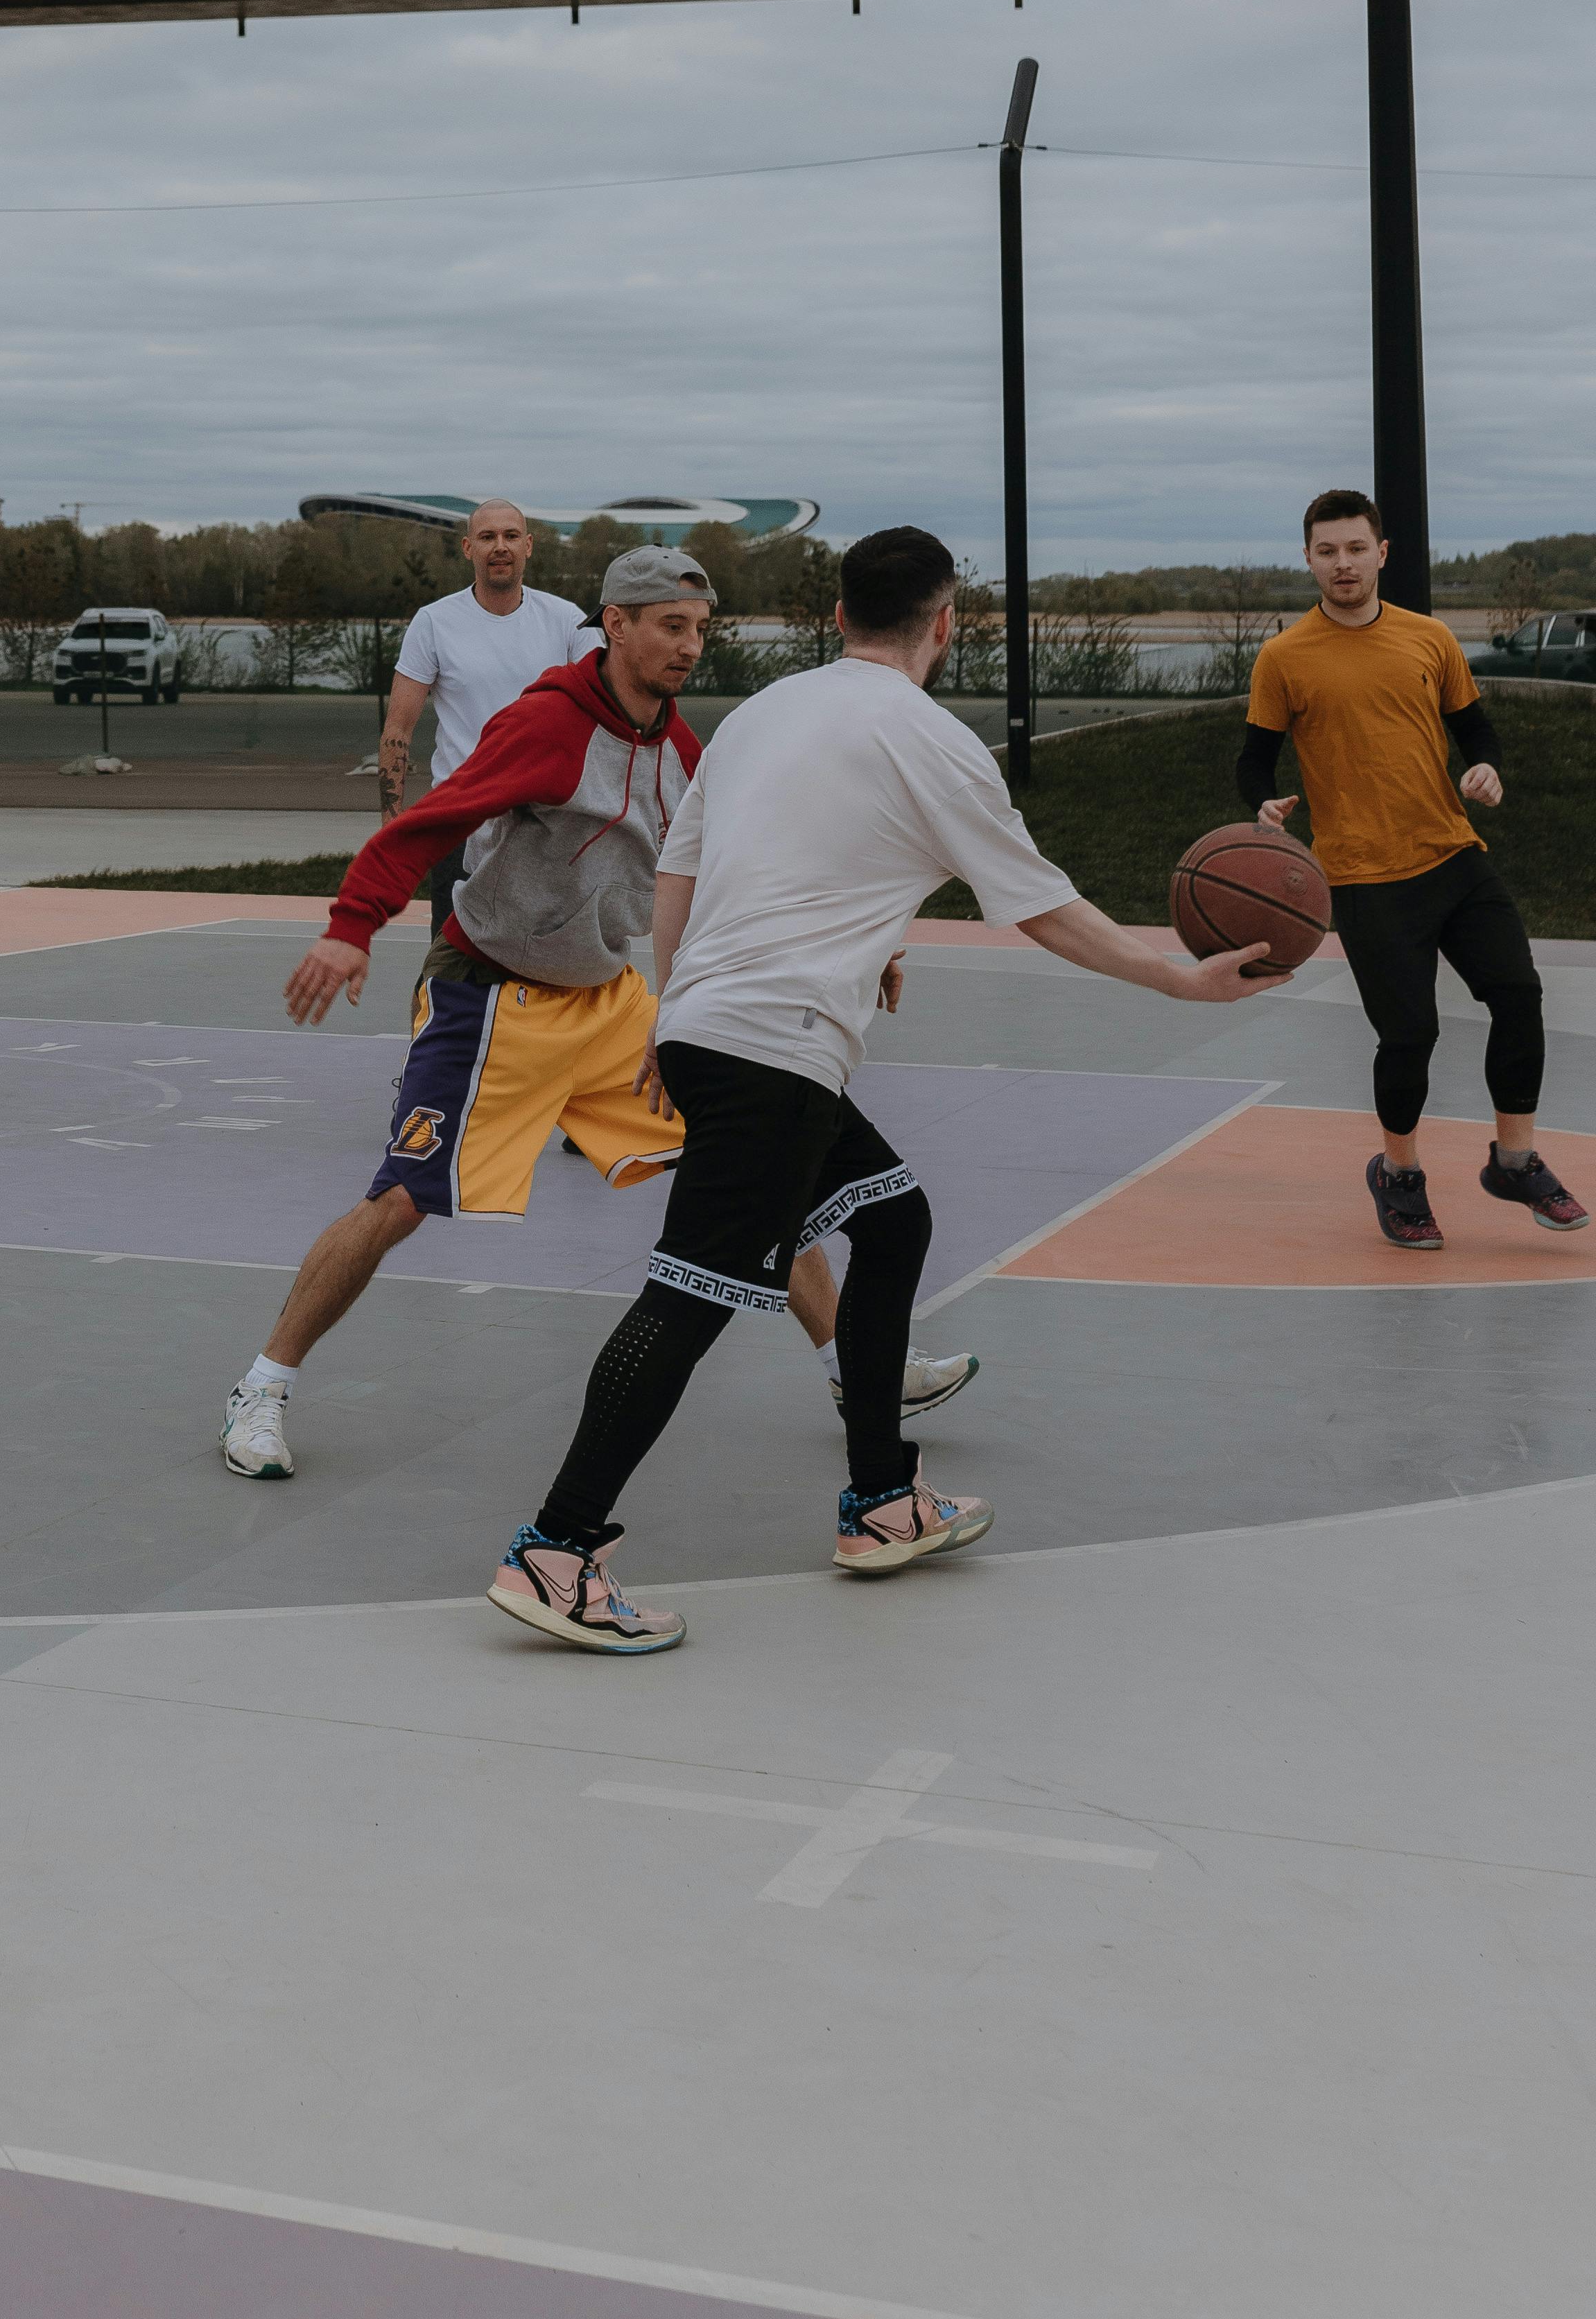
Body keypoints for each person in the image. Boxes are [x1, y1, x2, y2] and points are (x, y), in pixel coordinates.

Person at [487, 523, 1281, 1658]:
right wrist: (1175, 976)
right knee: (690, 1294)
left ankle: (882, 1502)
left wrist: (674, 1009)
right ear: (945, 622)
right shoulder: (931, 739)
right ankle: (556, 1551)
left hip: (719, 1025)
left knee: (893, 1220)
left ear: (843, 611)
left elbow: (682, 867)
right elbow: (1042, 904)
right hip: (774, 1045)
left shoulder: (764, 713)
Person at [219, 547, 982, 1487]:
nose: (689, 647)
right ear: (615, 624)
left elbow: (752, 860)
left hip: (610, 1003)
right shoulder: (547, 724)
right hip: (491, 994)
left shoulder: (682, 749)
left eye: (701, 630)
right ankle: (263, 1386)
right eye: (671, 625)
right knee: (400, 1201)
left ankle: (851, 1371)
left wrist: (878, 950)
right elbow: (431, 822)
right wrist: (351, 926)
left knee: (755, 1167)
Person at [1240, 490, 1583, 1248]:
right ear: (1306, 559)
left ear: (1380, 552)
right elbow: (1252, 762)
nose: (1341, 564)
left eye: (1353, 548)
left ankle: (1514, 1160)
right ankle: (1397, 1176)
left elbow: (1475, 728)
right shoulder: (1284, 657)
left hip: (1453, 858)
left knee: (1518, 996)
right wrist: (1262, 808)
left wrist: (1486, 768)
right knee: (1409, 1036)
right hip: (1361, 878)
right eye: (1325, 551)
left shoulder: (1427, 639)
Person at [376, 501, 593, 945]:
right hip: (460, 824)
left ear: (528, 546)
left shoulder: (568, 620)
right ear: (467, 547)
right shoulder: (434, 622)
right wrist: (391, 830)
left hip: (548, 826)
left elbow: (605, 715)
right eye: (488, 537)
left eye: (511, 536)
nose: (500, 547)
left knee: (545, 964)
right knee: (450, 963)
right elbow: (398, 732)